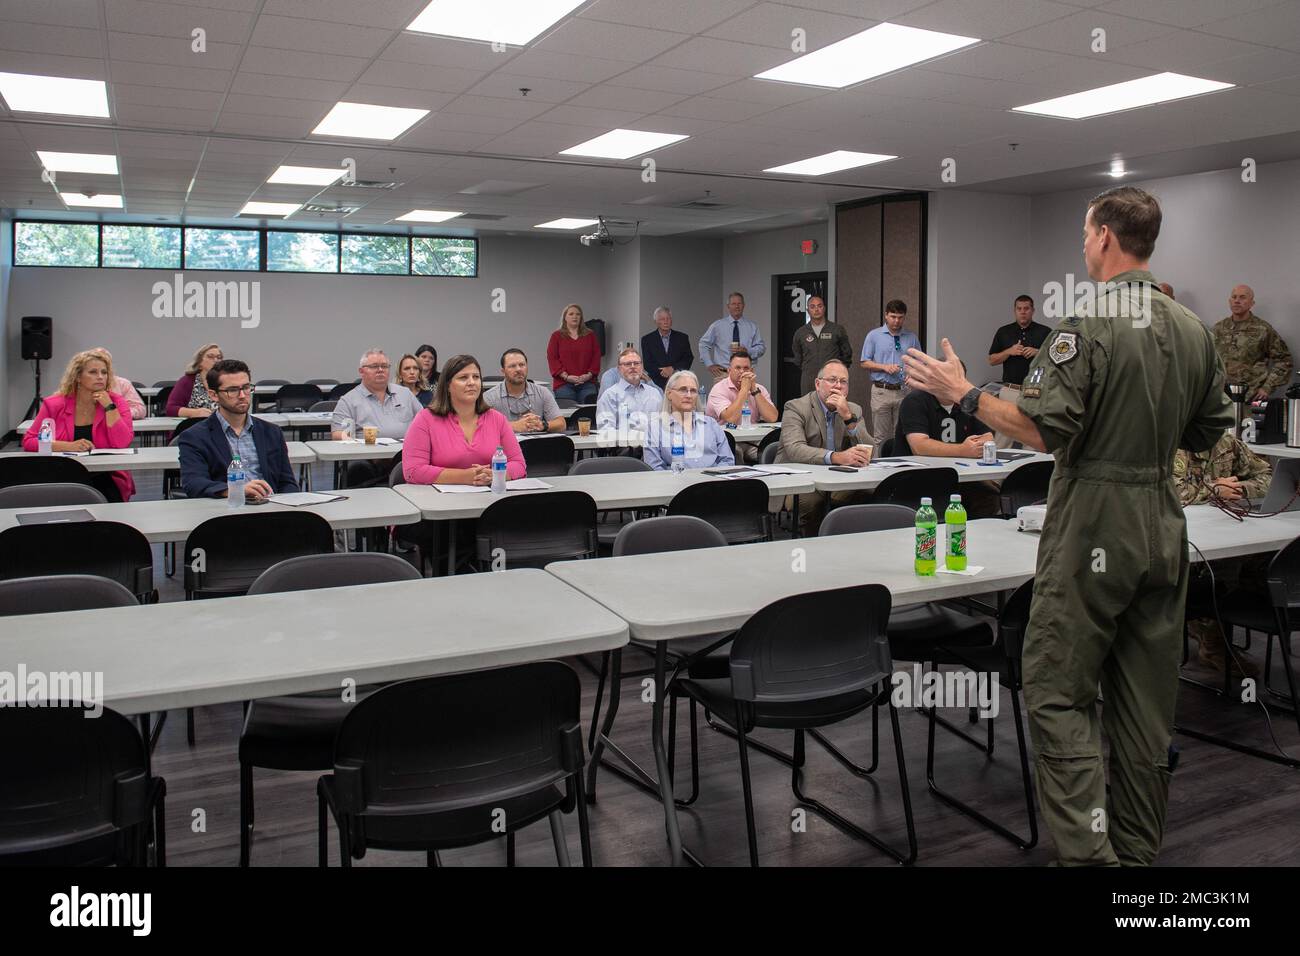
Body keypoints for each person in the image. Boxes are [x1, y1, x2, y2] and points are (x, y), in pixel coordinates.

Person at [902, 185, 1233, 867]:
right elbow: (1205, 434)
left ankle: (1090, 859)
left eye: (1086, 235)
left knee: (1057, 690)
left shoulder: (1086, 325)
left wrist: (963, 393)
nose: (1083, 247)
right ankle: (1137, 863)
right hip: (1163, 524)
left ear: (1106, 236)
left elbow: (1044, 430)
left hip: (1095, 522)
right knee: (1145, 707)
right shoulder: (1194, 329)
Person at [1174, 431, 1270, 677]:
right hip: (1180, 534)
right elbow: (1169, 491)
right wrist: (1214, 490)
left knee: (1253, 560)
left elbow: (1267, 475)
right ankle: (1212, 641)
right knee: (1218, 570)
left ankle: (1211, 636)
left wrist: (1240, 488)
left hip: (1223, 528)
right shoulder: (1169, 440)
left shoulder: (1226, 443)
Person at [178, 359, 300, 501]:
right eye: (233, 390)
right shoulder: (194, 436)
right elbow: (194, 484)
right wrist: (235, 490)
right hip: (225, 510)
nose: (242, 395)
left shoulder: (271, 432)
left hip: (269, 508)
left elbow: (287, 482)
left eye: (246, 387)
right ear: (213, 395)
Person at [23, 349, 135, 502]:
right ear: (77, 377)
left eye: (104, 372)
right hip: (63, 473)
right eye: (93, 372)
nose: (100, 377)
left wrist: (109, 406)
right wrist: (68, 446)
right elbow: (29, 441)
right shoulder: (54, 404)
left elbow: (122, 443)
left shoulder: (116, 402)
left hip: (106, 474)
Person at [775, 359, 873, 531]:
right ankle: (813, 546)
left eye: (843, 382)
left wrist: (848, 419)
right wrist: (837, 457)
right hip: (799, 480)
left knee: (868, 492)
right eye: (832, 380)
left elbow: (873, 451)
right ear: (818, 383)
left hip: (837, 479)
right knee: (812, 503)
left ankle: (847, 543)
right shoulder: (796, 407)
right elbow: (795, 449)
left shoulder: (853, 410)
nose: (838, 386)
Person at [402, 354, 525, 485]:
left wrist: (497, 474)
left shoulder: (497, 419)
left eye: (476, 377)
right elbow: (413, 471)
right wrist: (465, 477)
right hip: (440, 502)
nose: (472, 382)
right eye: (463, 378)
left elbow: (519, 464)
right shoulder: (425, 419)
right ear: (448, 386)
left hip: (490, 498)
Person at [331, 348, 420, 487]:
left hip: (405, 456)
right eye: (374, 366)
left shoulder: (405, 394)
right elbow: (337, 434)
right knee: (358, 469)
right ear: (361, 371)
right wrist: (364, 449)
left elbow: (427, 422)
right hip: (369, 459)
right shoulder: (348, 400)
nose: (380, 370)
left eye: (384, 366)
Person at [987, 295, 1051, 447]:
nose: (1023, 312)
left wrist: (1038, 352)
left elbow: (1056, 361)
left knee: (1033, 434)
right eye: (1019, 309)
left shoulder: (1045, 331)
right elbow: (991, 360)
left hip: (1036, 392)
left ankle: (1034, 468)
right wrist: (1009, 351)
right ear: (1014, 311)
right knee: (1004, 435)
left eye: (1026, 309)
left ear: (1033, 310)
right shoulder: (1004, 332)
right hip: (1010, 390)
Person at [1212, 284, 1292, 401]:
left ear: (1251, 303)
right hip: (1220, 398)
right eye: (1234, 297)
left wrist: (1267, 387)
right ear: (1229, 301)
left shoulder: (1262, 329)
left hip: (1250, 397)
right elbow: (1208, 360)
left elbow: (1284, 360)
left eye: (1242, 297)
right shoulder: (1218, 329)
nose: (1237, 301)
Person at [642, 370, 734, 471]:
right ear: (669, 394)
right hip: (675, 484)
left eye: (693, 391)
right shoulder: (655, 428)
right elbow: (654, 468)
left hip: (712, 483)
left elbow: (727, 460)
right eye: (683, 390)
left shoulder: (710, 424)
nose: (689, 395)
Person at [859, 300, 920, 446]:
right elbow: (864, 362)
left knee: (902, 435)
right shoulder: (874, 336)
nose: (896, 321)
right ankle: (879, 466)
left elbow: (920, 362)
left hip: (904, 391)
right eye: (893, 316)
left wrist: (912, 373)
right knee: (880, 437)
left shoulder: (911, 338)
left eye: (900, 317)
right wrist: (884, 367)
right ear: (886, 315)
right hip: (881, 391)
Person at [482, 349, 566, 434]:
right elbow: (481, 428)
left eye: (522, 365)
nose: (518, 369)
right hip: (504, 446)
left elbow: (561, 424)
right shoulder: (489, 397)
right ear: (503, 372)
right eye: (512, 366)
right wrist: (513, 426)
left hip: (535, 445)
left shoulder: (543, 392)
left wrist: (542, 425)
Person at [791, 295, 853, 395]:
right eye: (812, 306)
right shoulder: (800, 333)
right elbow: (798, 358)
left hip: (832, 379)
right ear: (807, 310)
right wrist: (809, 368)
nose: (816, 309)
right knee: (808, 407)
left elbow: (847, 354)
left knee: (833, 405)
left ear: (824, 308)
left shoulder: (836, 329)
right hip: (809, 379)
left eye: (819, 306)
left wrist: (838, 370)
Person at [700, 292, 765, 381]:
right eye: (733, 304)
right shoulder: (717, 326)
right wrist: (709, 364)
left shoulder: (752, 326)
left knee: (745, 395)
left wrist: (747, 351)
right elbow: (703, 344)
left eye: (739, 303)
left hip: (745, 374)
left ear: (744, 305)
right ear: (728, 306)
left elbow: (761, 348)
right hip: (723, 373)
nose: (737, 306)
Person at [596, 347, 663, 432]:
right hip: (623, 444)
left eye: (636, 363)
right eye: (627, 364)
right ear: (619, 369)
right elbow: (605, 431)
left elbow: (663, 426)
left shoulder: (654, 393)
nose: (633, 367)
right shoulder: (609, 396)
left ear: (642, 367)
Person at [706, 350, 779, 426]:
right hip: (724, 435)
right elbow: (730, 419)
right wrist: (744, 390)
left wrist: (754, 390)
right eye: (737, 368)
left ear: (751, 371)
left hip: (751, 435)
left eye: (746, 368)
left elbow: (772, 418)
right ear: (729, 370)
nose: (742, 371)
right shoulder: (718, 389)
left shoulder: (759, 389)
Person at [547, 303, 601, 404]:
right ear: (565, 318)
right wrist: (566, 377)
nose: (575, 316)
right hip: (563, 383)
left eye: (578, 314)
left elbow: (596, 357)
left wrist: (589, 375)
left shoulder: (590, 335)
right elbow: (552, 358)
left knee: (588, 413)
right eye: (571, 314)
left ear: (581, 317)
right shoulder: (556, 336)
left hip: (587, 383)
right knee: (568, 415)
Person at [641, 306, 694, 390]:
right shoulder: (647, 339)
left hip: (678, 381)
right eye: (662, 319)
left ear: (671, 320)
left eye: (668, 318)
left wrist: (673, 369)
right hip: (656, 383)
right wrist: (664, 372)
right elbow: (647, 364)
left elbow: (688, 358)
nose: (666, 322)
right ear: (656, 321)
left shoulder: (682, 337)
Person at [165, 343, 223, 418]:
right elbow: (170, 409)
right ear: (199, 362)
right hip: (195, 426)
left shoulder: (227, 381)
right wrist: (194, 412)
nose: (216, 360)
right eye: (210, 357)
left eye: (219, 357)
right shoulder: (187, 381)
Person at [94, 347, 147, 420]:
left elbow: (140, 410)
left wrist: (116, 413)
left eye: (105, 365)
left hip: (118, 424)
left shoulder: (123, 384)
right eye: (93, 371)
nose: (100, 376)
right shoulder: (82, 385)